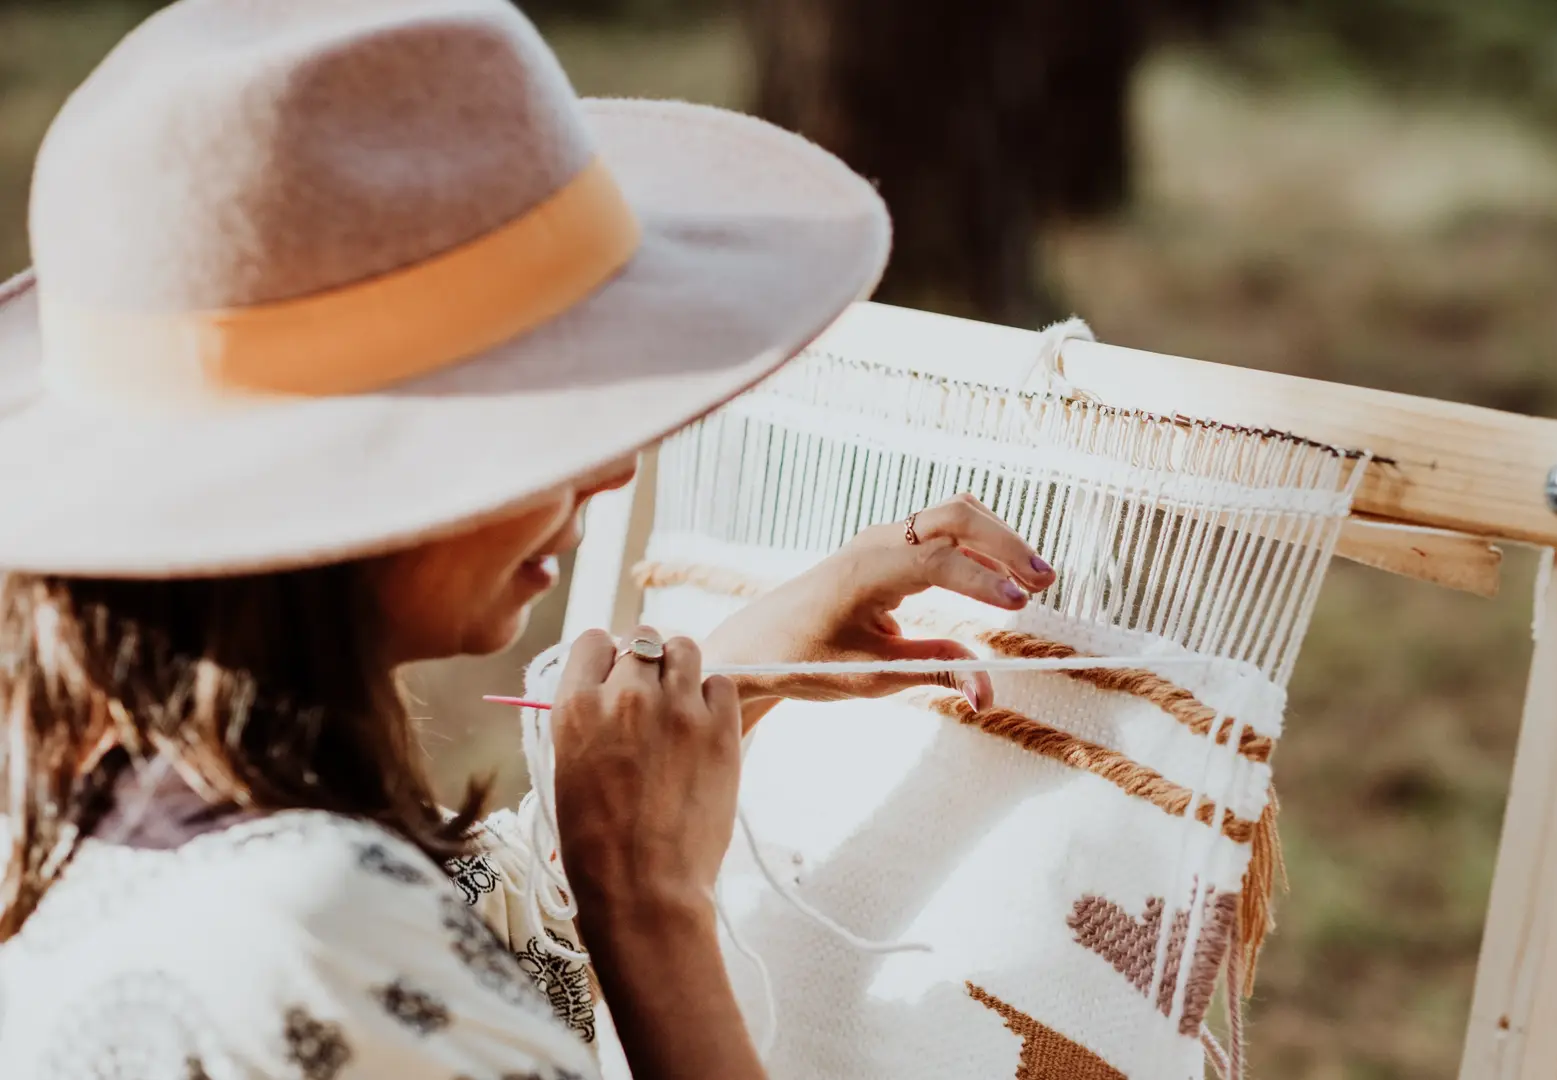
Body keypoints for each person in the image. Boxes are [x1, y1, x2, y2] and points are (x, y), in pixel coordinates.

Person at [0, 1, 1053, 1077]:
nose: (610, 467)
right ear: (351, 469)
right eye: (545, 411)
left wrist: (730, 674)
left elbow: (437, 963)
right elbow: (384, 966)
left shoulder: (77, 808)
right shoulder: (308, 939)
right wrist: (651, 913)